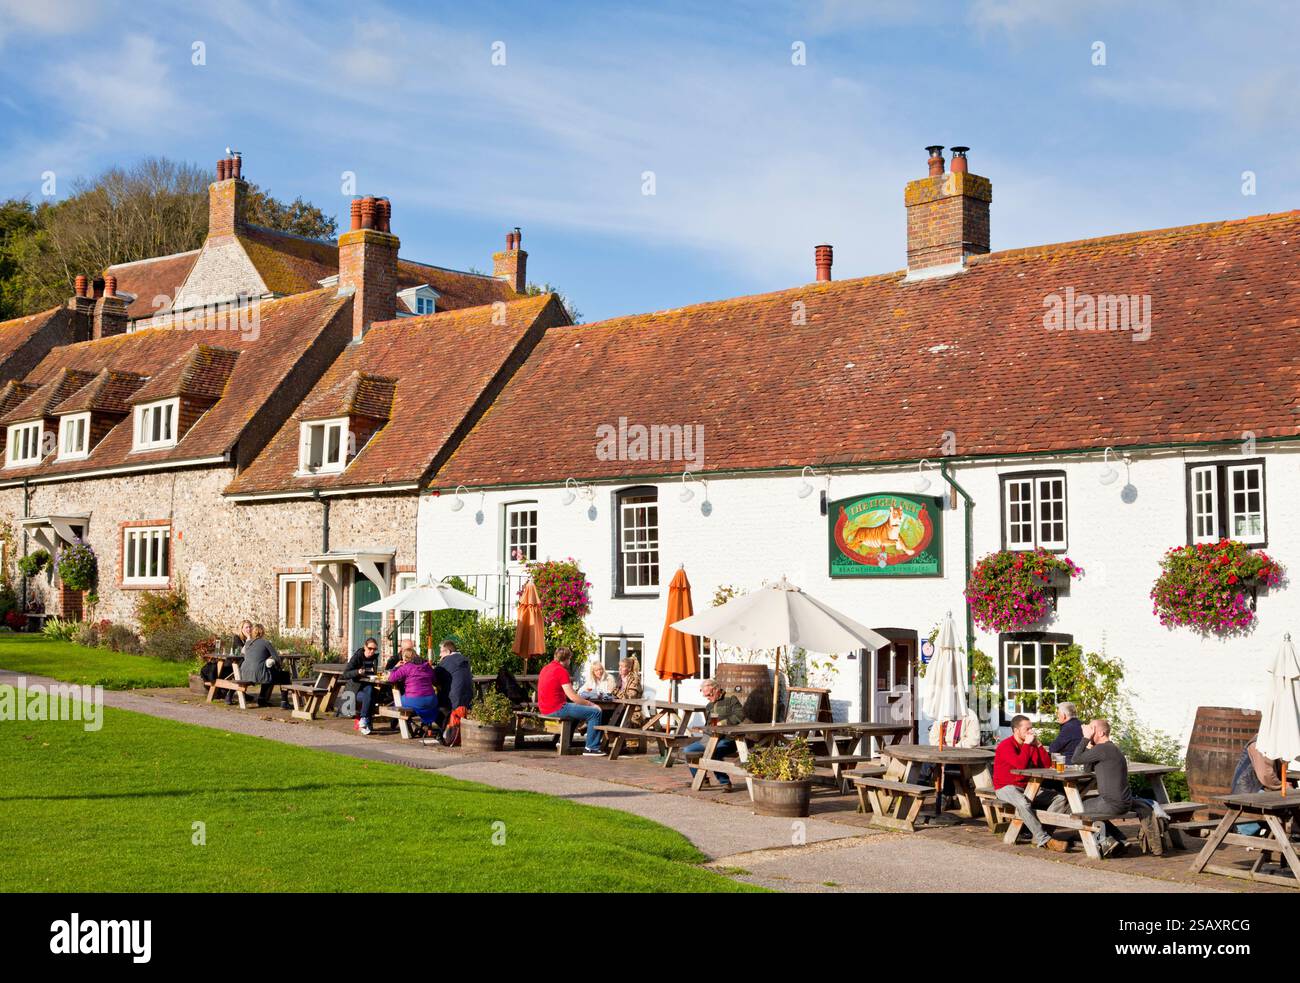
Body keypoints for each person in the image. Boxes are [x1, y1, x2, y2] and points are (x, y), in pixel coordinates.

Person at [1071, 718, 1147, 857]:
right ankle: (1120, 839)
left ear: (1100, 733)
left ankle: (1106, 842)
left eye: (1092, 729)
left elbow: (1075, 759)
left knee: (1079, 808)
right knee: (1090, 806)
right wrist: (1089, 745)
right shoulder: (1110, 748)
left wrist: (1085, 738)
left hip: (1112, 803)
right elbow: (1088, 770)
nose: (1089, 731)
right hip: (1123, 802)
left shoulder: (1103, 749)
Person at [993, 714, 1068, 851]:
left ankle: (1040, 835)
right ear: (1016, 730)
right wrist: (1027, 744)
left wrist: (1038, 745)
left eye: (1031, 729)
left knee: (1060, 798)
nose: (1031, 732)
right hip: (1005, 787)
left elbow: (1046, 765)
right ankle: (1044, 839)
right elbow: (1019, 765)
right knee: (1023, 803)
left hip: (1027, 787)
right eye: (1027, 729)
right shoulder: (1005, 746)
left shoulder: (1031, 745)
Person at [537, 647, 605, 756]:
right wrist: (591, 704)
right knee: (595, 712)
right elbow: (572, 696)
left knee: (576, 713)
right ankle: (591, 748)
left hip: (545, 708)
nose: (570, 661)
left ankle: (563, 742)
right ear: (567, 659)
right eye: (570, 659)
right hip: (557, 708)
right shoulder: (561, 671)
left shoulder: (546, 668)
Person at [683, 679, 746, 792]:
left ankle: (725, 782)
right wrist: (703, 729)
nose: (708, 698)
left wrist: (723, 723)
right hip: (710, 738)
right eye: (706, 696)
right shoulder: (709, 706)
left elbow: (740, 715)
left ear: (716, 689)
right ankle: (701, 779)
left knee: (713, 752)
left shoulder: (731, 699)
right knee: (688, 750)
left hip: (728, 739)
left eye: (710, 695)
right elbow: (709, 725)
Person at [1230, 737, 1282, 837]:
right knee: (1284, 800)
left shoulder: (1270, 742)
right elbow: (1265, 775)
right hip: (1249, 792)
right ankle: (1245, 830)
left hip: (1257, 789)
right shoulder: (1259, 744)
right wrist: (1282, 785)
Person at [387, 643, 440, 737]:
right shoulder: (427, 666)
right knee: (407, 700)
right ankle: (424, 725)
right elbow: (434, 680)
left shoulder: (406, 667)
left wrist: (396, 667)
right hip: (431, 700)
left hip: (414, 700)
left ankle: (408, 723)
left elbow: (391, 678)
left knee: (397, 702)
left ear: (405, 659)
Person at [240, 624, 291, 709]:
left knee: (268, 673)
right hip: (258, 673)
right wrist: (278, 666)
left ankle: (262, 699)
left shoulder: (248, 643)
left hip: (244, 673)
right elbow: (277, 659)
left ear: (253, 632)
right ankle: (284, 702)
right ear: (263, 632)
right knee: (284, 676)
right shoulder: (266, 643)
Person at [343, 637, 381, 735]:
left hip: (367, 686)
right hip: (355, 689)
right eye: (370, 648)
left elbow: (373, 673)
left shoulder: (374, 659)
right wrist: (358, 672)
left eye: (374, 649)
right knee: (370, 696)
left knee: (371, 691)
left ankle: (363, 720)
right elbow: (345, 674)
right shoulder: (357, 657)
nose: (372, 651)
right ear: (365, 647)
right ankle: (365, 721)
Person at [434, 638, 474, 720]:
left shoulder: (447, 661)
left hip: (452, 702)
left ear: (448, 652)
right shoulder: (465, 660)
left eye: (441, 652)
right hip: (468, 700)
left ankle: (446, 729)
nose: (440, 655)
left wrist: (440, 663)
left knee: (430, 707)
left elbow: (433, 677)